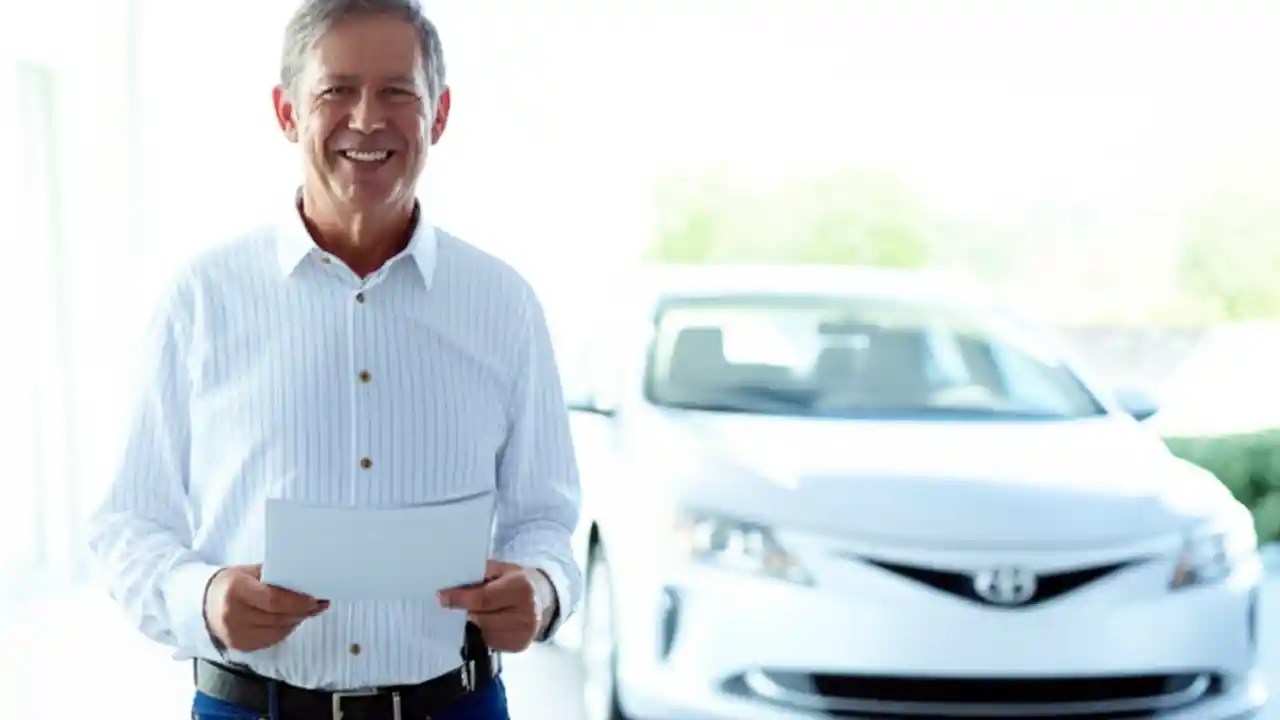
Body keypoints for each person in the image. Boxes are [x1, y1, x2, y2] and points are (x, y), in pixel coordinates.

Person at [85, 1, 581, 717]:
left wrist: (543, 587)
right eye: (336, 90)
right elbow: (128, 523)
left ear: (439, 114)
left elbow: (546, 520)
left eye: (397, 92)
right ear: (287, 112)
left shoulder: (504, 305)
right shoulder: (201, 299)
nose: (367, 119)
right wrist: (203, 598)